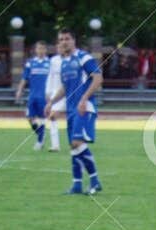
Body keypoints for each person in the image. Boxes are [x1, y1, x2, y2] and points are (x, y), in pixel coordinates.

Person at [49, 29, 102, 194]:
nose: (64, 42)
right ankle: (77, 184)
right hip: (72, 110)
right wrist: (51, 102)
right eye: (61, 39)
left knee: (77, 143)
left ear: (74, 41)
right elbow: (65, 87)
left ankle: (95, 181)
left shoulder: (83, 57)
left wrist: (84, 99)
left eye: (67, 39)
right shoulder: (64, 63)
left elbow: (98, 78)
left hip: (84, 108)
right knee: (73, 147)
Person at [16, 39, 52, 150]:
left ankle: (40, 142)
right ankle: (41, 134)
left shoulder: (50, 63)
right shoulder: (30, 63)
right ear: (35, 50)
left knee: (42, 119)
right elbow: (24, 78)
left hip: (44, 96)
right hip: (33, 95)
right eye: (38, 48)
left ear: (46, 50)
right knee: (29, 117)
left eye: (42, 48)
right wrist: (19, 90)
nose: (40, 50)